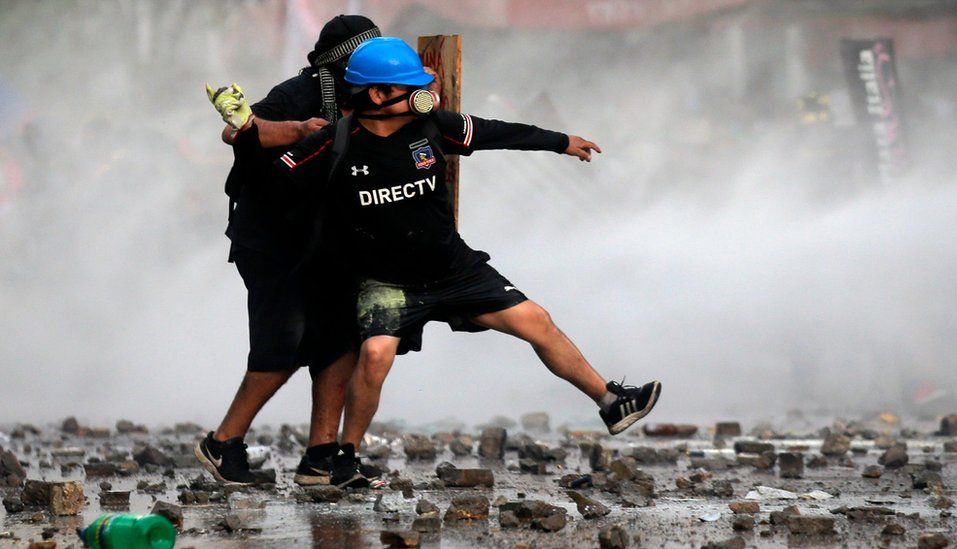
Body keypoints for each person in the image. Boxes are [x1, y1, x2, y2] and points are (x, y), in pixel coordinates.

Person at [223, 37, 663, 488]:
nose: (424, 92)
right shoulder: (333, 144)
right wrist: (251, 133)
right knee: (374, 355)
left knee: (538, 321)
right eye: (410, 85)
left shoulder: (434, 127)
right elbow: (269, 180)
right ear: (377, 95)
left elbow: (497, 132)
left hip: (455, 270)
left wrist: (561, 142)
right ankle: (345, 457)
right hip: (387, 282)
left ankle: (611, 401)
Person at [197, 15, 400, 487]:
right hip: (271, 241)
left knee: (338, 338)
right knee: (282, 345)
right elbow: (236, 132)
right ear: (339, 64)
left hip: (326, 240)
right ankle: (223, 442)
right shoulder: (300, 92)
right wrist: (298, 130)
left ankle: (320, 456)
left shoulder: (371, 95)